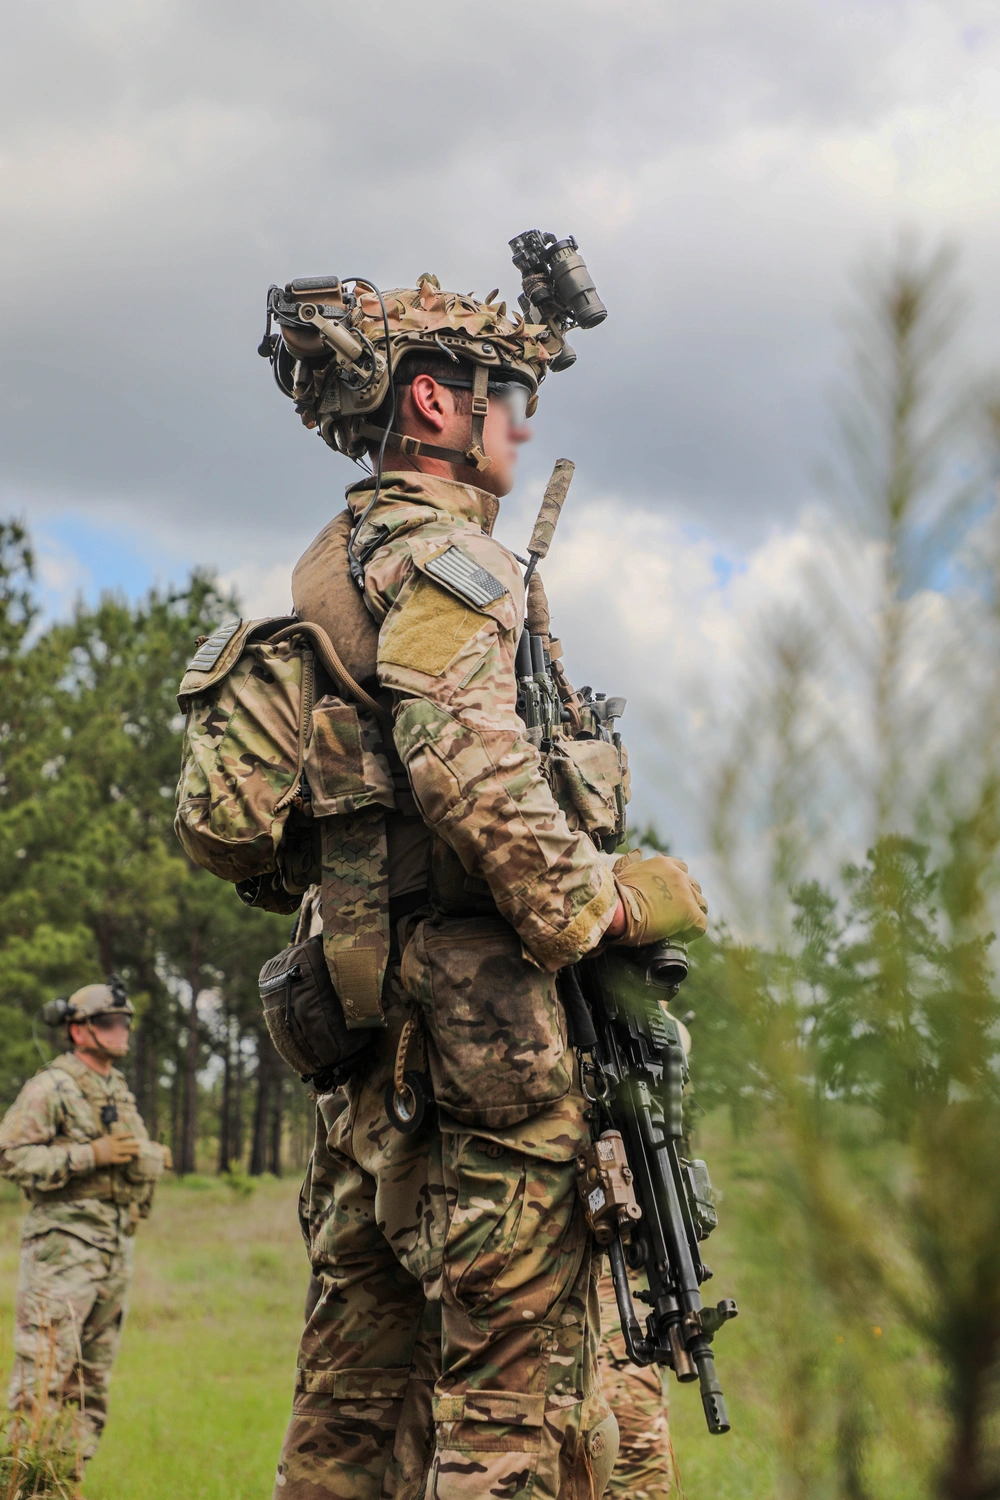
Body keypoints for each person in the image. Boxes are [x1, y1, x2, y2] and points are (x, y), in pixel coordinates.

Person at [265, 275, 708, 1499]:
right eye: (504, 394)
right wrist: (598, 903)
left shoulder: (330, 563)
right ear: (431, 402)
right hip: (485, 1055)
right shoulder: (454, 562)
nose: (520, 421)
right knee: (507, 1415)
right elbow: (462, 756)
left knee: (347, 1415)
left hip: (367, 1046)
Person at [0, 979, 171, 1461]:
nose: (121, 1030)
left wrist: (149, 1157)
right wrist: (86, 1155)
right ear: (78, 1031)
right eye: (108, 1022)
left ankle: (63, 1482)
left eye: (125, 1021)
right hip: (62, 1251)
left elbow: (127, 1155)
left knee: (90, 1383)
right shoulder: (51, 1086)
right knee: (42, 1375)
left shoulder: (114, 1086)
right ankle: (19, 1482)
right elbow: (9, 1156)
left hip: (114, 1248)